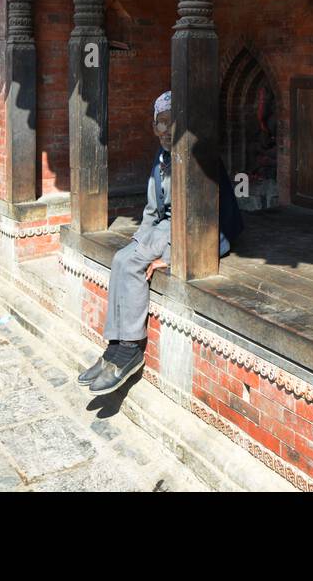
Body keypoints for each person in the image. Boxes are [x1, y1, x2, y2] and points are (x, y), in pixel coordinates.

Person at [79, 90, 244, 396]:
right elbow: (152, 211)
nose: (166, 131)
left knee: (133, 267)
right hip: (165, 228)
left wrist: (173, 256)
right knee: (121, 259)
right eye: (160, 124)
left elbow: (206, 219)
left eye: (172, 123)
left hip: (197, 230)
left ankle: (130, 349)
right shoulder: (160, 159)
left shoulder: (197, 157)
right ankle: (113, 346)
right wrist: (137, 241)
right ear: (154, 126)